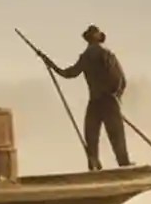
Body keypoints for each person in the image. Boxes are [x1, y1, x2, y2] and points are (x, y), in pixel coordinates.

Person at [42, 25, 134, 170]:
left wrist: (51, 65)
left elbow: (69, 74)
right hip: (104, 101)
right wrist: (117, 94)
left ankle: (104, 165)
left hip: (102, 101)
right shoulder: (97, 55)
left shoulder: (97, 56)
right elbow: (121, 79)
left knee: (97, 136)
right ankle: (109, 165)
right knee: (105, 136)